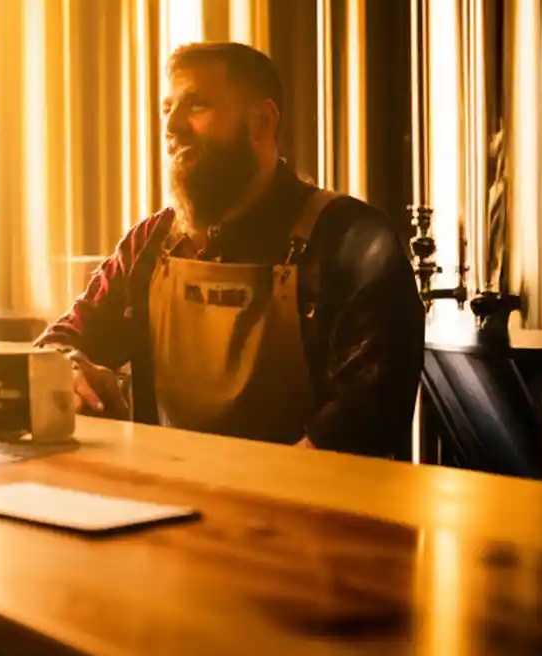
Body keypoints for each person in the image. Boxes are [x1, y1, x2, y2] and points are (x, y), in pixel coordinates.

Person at [36, 42, 424, 458]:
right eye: (167, 109)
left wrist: (247, 503)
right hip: (169, 509)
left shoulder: (353, 244)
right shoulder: (149, 243)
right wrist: (68, 368)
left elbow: (361, 424)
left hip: (313, 512)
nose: (172, 127)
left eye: (196, 106)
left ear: (261, 121)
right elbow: (59, 341)